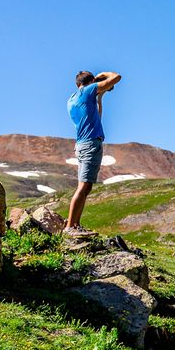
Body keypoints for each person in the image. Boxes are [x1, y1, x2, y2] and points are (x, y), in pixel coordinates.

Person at [65, 70, 121, 234]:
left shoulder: (72, 99)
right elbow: (117, 77)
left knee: (85, 187)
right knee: (84, 187)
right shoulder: (88, 90)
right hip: (90, 145)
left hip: (82, 144)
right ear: (90, 83)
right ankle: (70, 227)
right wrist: (103, 75)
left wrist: (100, 97)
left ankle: (75, 225)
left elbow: (97, 116)